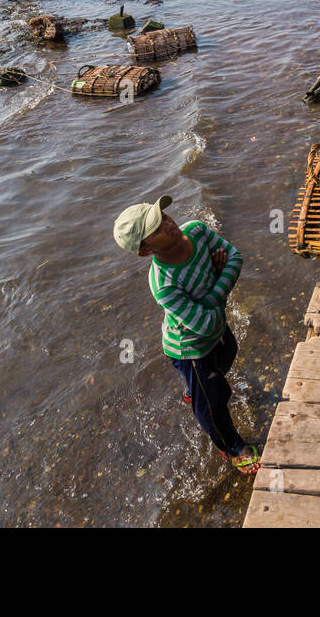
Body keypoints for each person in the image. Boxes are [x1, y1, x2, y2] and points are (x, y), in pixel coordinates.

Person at [113, 195, 261, 475]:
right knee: (213, 405)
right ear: (145, 251)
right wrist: (219, 282)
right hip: (190, 348)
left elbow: (236, 257)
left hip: (215, 330)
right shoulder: (163, 283)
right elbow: (203, 325)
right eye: (156, 229)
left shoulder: (196, 230)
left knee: (229, 351)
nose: (168, 224)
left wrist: (211, 296)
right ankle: (232, 447)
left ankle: (194, 391)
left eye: (164, 217)